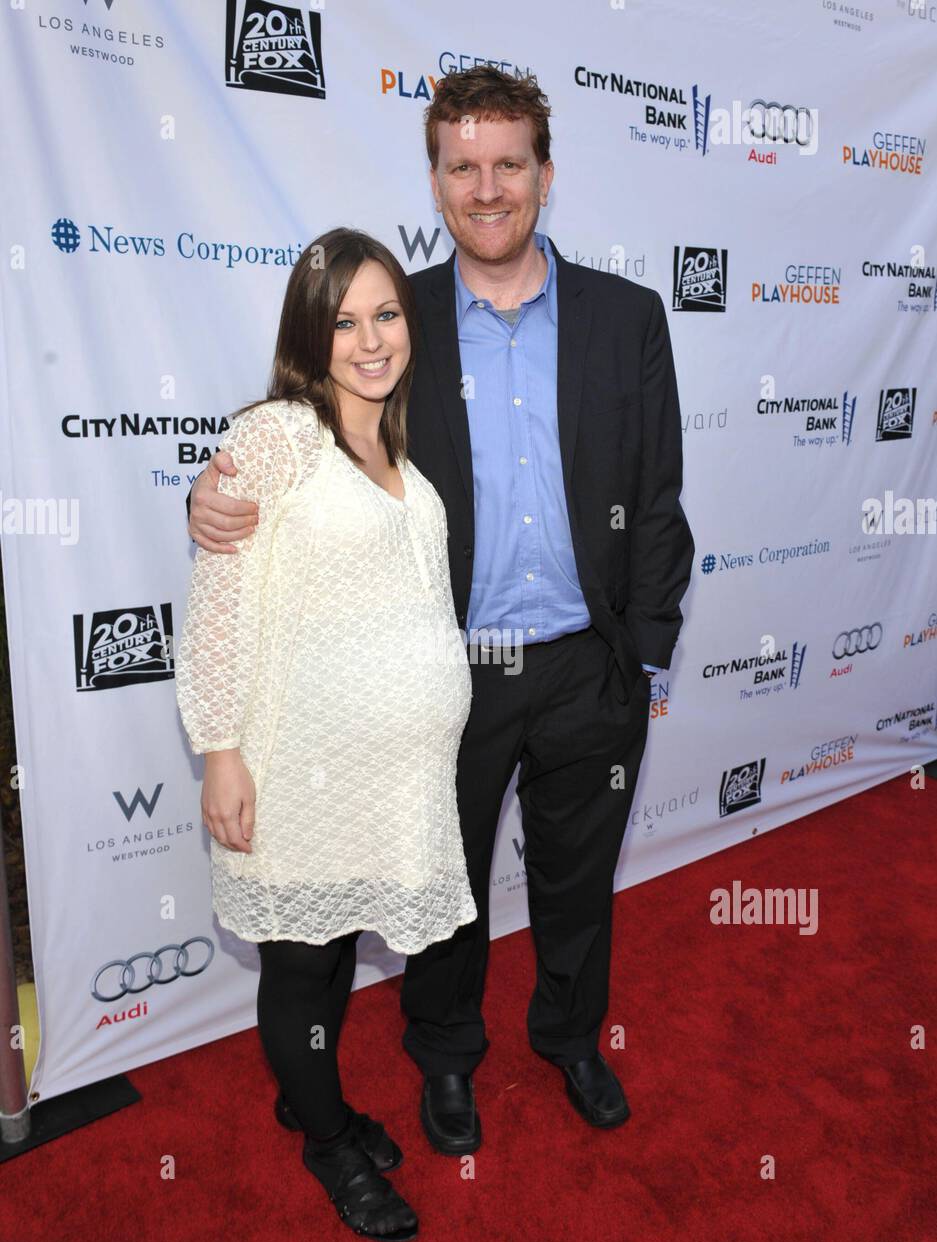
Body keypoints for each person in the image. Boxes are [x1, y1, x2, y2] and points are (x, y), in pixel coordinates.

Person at [186, 66, 694, 1158]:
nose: (488, 186)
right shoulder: (392, 317)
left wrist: (641, 659)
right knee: (443, 893)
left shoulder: (627, 317)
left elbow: (656, 496)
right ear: (435, 180)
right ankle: (446, 1060)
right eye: (462, 165)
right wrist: (213, 486)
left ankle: (568, 1035)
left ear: (544, 175)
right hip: (445, 678)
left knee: (577, 881)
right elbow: (296, 435)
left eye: (509, 162)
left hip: (585, 664)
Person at [175, 227, 477, 1242]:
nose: (369, 338)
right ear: (311, 335)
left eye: (385, 313)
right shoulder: (275, 437)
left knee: (335, 946)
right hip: (294, 766)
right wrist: (220, 749)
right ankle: (325, 1137)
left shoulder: (394, 442)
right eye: (343, 320)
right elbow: (219, 604)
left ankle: (312, 1098)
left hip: (387, 776)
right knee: (302, 964)